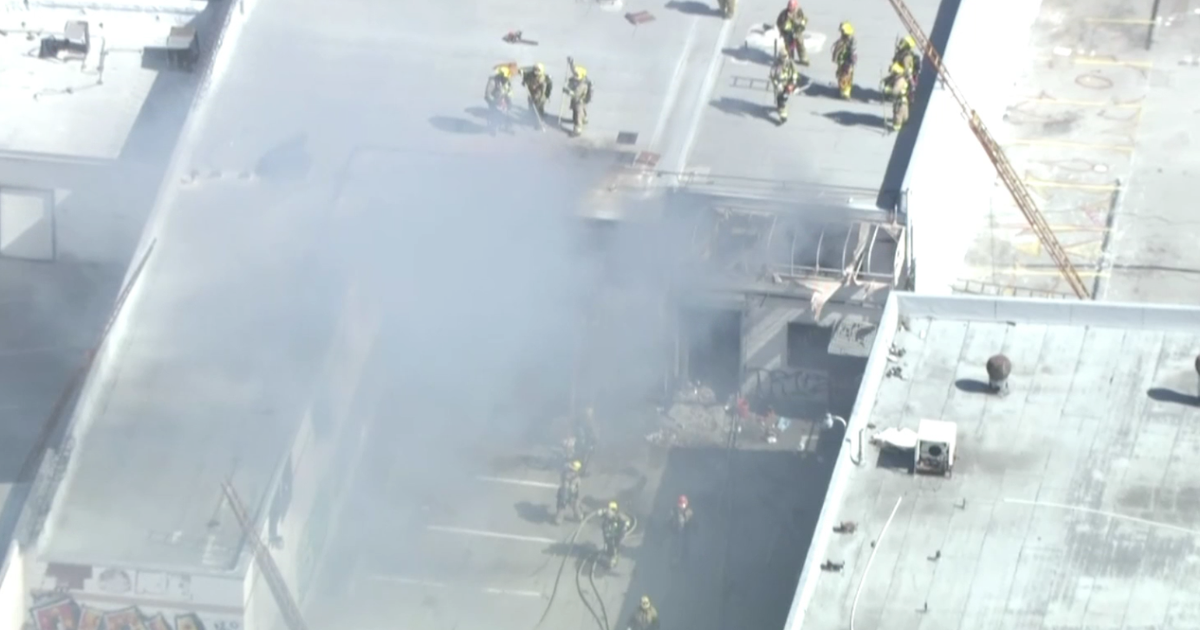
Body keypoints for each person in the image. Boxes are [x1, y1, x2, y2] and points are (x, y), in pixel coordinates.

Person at [769, 50, 801, 123]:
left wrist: (794, 81)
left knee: (785, 96)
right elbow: (772, 76)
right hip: (780, 84)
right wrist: (777, 84)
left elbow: (795, 72)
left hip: (789, 81)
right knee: (781, 98)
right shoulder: (776, 65)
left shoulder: (790, 63)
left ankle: (781, 105)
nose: (785, 58)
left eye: (786, 56)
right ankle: (783, 116)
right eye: (783, 57)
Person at [599, 501, 633, 568]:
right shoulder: (607, 514)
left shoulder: (620, 516)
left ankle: (613, 558)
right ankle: (609, 554)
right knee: (608, 544)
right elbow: (601, 514)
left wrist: (626, 526)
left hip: (617, 534)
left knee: (615, 545)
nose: (609, 511)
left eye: (611, 509)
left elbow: (627, 520)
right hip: (608, 533)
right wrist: (600, 513)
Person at [775, 0, 809, 66]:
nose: (790, 7)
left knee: (800, 44)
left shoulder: (799, 11)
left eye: (791, 6)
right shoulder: (784, 13)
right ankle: (790, 59)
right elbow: (779, 22)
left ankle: (803, 58)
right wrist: (783, 29)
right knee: (789, 46)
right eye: (789, 5)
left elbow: (802, 20)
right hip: (787, 33)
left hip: (797, 31)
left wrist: (797, 24)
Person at [563, 65, 593, 136]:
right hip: (577, 100)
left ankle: (578, 129)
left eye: (577, 75)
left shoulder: (582, 84)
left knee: (578, 114)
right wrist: (571, 63)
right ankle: (584, 119)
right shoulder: (578, 78)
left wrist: (567, 90)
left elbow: (576, 94)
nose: (575, 76)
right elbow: (574, 71)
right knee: (579, 110)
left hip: (579, 101)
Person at [831, 22, 857, 100]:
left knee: (846, 76)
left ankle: (846, 92)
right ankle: (842, 89)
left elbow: (853, 53)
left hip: (847, 62)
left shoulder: (851, 42)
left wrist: (850, 62)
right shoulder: (842, 40)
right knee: (841, 75)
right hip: (842, 62)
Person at [881, 62, 910, 132]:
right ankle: (902, 121)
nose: (892, 74)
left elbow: (895, 91)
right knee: (904, 114)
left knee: (898, 114)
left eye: (893, 72)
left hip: (900, 101)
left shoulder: (900, 81)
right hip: (903, 100)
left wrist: (887, 90)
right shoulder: (900, 78)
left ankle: (896, 127)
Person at [893, 35, 920, 102]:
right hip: (899, 73)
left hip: (905, 75)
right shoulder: (901, 53)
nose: (901, 44)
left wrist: (910, 79)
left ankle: (909, 97)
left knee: (907, 86)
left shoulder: (907, 56)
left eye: (903, 43)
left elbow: (907, 69)